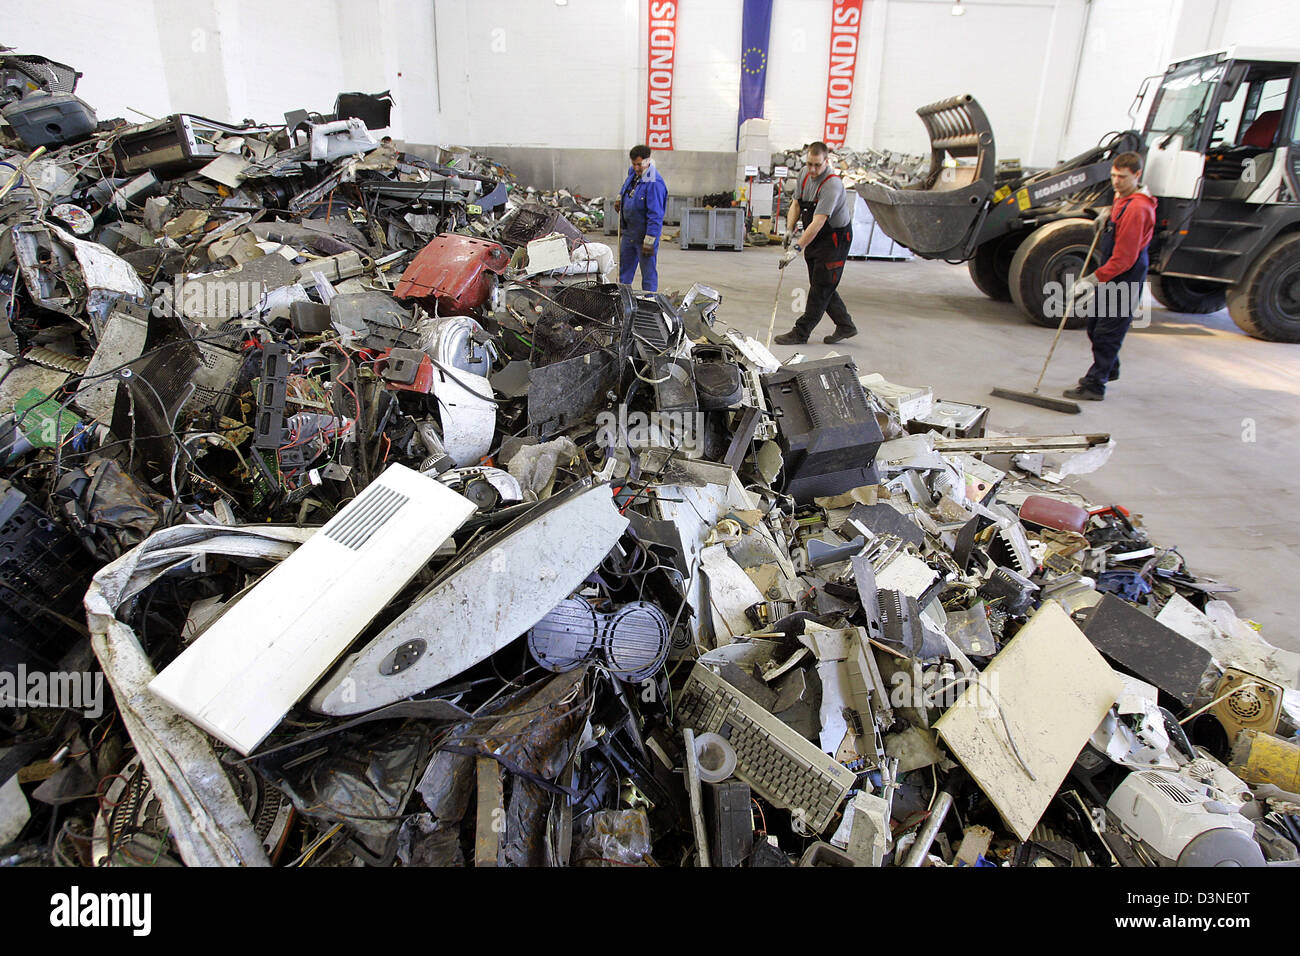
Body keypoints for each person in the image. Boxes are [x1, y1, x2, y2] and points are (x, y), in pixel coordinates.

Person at [1064, 151, 1156, 401]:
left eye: (1122, 177)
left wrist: (1091, 280)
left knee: (1108, 331)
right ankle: (1110, 367)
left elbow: (1125, 258)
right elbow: (1119, 205)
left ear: (1137, 175)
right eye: (1114, 176)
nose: (1116, 182)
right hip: (1114, 273)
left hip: (1126, 275)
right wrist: (1108, 214)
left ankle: (1095, 385)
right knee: (1095, 326)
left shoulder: (1137, 208)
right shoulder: (1123, 197)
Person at [773, 142, 857, 345]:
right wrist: (789, 230)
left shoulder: (832, 184)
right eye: (809, 164)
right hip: (816, 236)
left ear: (826, 161)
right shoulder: (804, 174)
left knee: (821, 286)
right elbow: (796, 204)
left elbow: (819, 221)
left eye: (817, 165)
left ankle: (801, 332)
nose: (812, 170)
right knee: (823, 284)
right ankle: (845, 325)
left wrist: (796, 249)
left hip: (834, 240)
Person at [617, 145, 668, 291]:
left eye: (639, 164)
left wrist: (650, 241)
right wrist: (620, 198)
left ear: (648, 161)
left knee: (648, 273)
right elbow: (626, 185)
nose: (636, 168)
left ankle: (649, 301)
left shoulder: (654, 184)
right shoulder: (633, 174)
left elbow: (656, 215)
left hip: (644, 237)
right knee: (624, 274)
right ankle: (622, 301)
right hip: (629, 233)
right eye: (633, 164)